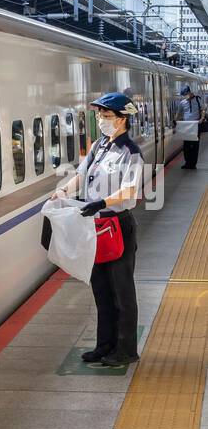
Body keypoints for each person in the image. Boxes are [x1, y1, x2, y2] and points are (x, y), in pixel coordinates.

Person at [50, 92, 143, 367]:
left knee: (121, 290)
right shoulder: (99, 146)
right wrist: (64, 190)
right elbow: (81, 174)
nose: (102, 120)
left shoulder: (131, 153)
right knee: (101, 288)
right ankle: (104, 345)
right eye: (99, 116)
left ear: (122, 119)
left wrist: (101, 202)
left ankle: (126, 349)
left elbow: (130, 190)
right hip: (95, 224)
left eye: (107, 116)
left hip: (117, 226)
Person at [175, 84, 202, 169]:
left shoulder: (198, 100)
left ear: (190, 92)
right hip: (186, 126)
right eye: (184, 95)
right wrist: (175, 121)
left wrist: (202, 118)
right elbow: (179, 113)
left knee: (195, 145)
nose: (185, 96)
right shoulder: (182, 103)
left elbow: (203, 110)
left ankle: (193, 164)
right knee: (186, 145)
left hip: (196, 125)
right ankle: (187, 163)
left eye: (186, 94)